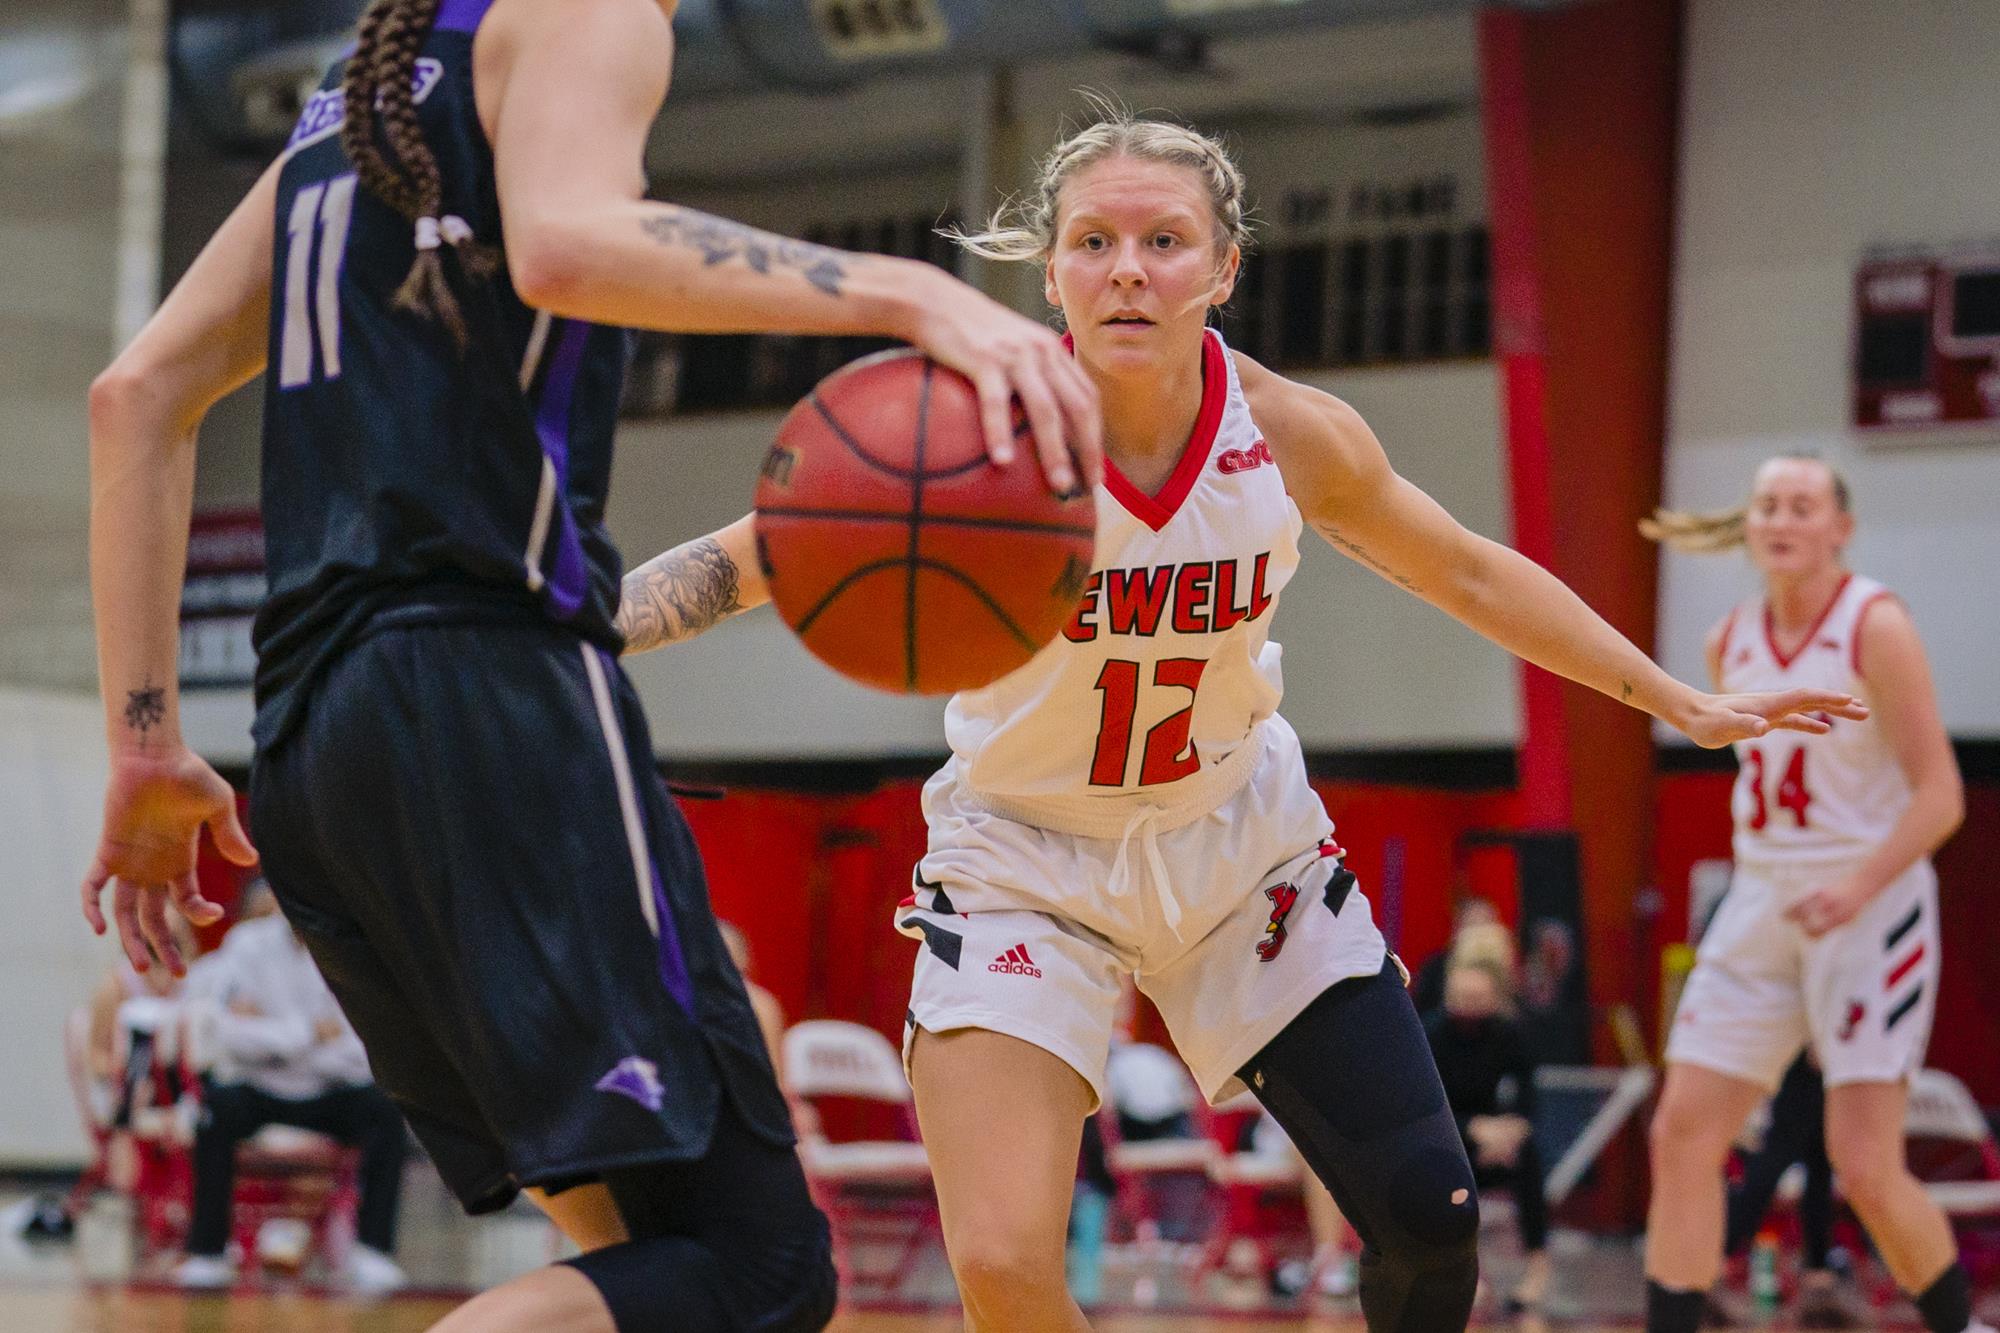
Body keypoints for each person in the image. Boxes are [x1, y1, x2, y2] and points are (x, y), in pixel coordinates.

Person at [620, 107, 1860, 1332]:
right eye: (1093, 241)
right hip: (1023, 860)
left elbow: (1469, 571)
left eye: (1163, 241)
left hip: (1239, 846)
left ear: (1221, 267)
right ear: (1049, 270)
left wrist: (1675, 699)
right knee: (1001, 1260)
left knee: (1431, 1221)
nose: (1126, 272)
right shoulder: (975, 433)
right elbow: (757, 554)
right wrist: (580, 628)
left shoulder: (1287, 434)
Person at [79, 0, 1100, 1327]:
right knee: (760, 1269)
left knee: (637, 1255)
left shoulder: (360, 97)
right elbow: (569, 246)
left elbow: (137, 396)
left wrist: (145, 742)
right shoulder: (581, 7)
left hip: (315, 743)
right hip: (486, 690)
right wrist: (920, 294)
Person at [1641, 456, 1986, 1333]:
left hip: (1870, 899)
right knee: (1681, 1132)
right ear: (1750, 526)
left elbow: (1941, 794)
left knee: (1864, 1162)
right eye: (1768, 505)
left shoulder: (1875, 624)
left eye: (1803, 504)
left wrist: (1856, 885)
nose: (1782, 518)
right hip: (1763, 895)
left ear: (1841, 527)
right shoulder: (1730, 637)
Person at [174, 898, 408, 1293]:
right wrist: (312, 1033)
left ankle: (373, 1250)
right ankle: (207, 1251)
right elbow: (230, 1035)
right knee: (213, 1113)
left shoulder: (353, 950)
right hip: (260, 1088)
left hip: (326, 1089)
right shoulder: (247, 945)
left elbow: (361, 1048)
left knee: (386, 1113)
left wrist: (272, 1033)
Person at [1425, 956, 1551, 1314]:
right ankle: (1465, 1272)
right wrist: (1472, 1130)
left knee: (1529, 1159)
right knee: (1447, 1172)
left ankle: (1537, 1266)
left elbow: (1529, 1096)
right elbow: (1427, 1109)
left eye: (1479, 1000)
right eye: (1463, 998)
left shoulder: (1509, 1033)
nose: (1471, 1009)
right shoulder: (1431, 1034)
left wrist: (1512, 1130)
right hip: (1448, 1139)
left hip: (1496, 1141)